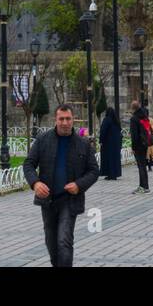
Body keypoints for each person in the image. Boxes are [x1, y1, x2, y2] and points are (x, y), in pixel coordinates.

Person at [22, 104, 99, 267]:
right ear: (55, 120)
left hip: (70, 200)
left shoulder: (83, 143)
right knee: (51, 242)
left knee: (64, 240)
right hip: (48, 199)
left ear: (73, 120)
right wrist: (35, 183)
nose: (65, 123)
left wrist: (79, 185)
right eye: (61, 119)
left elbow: (94, 171)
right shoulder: (43, 140)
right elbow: (28, 164)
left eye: (68, 119)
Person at [125, 103, 149, 192]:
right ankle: (145, 186)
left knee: (141, 166)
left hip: (138, 145)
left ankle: (143, 187)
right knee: (143, 165)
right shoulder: (144, 116)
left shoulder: (134, 119)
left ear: (132, 108)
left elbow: (134, 136)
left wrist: (133, 148)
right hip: (145, 143)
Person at [99, 105, 123, 182]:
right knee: (115, 158)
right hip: (116, 143)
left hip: (108, 143)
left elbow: (103, 131)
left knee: (108, 158)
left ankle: (109, 174)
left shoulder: (107, 120)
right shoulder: (116, 121)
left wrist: (101, 140)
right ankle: (114, 174)